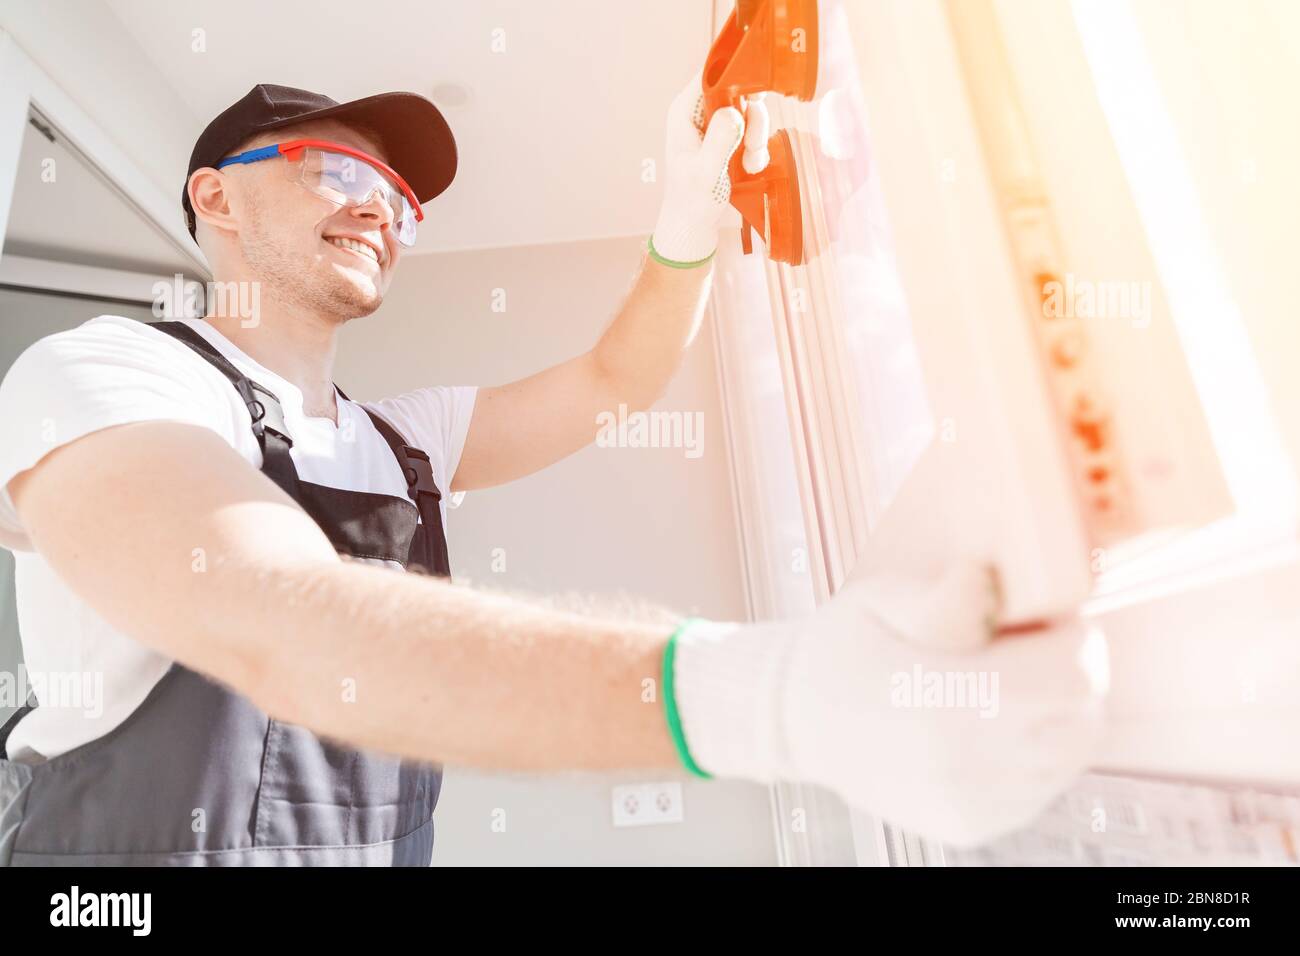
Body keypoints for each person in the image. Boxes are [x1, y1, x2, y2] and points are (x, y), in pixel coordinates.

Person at [0, 77, 1105, 866]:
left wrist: (687, 227)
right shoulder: (104, 372)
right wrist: (774, 702)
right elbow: (277, 621)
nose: (378, 206)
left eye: (400, 198)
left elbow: (613, 382)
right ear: (215, 196)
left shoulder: (404, 440)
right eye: (337, 167)